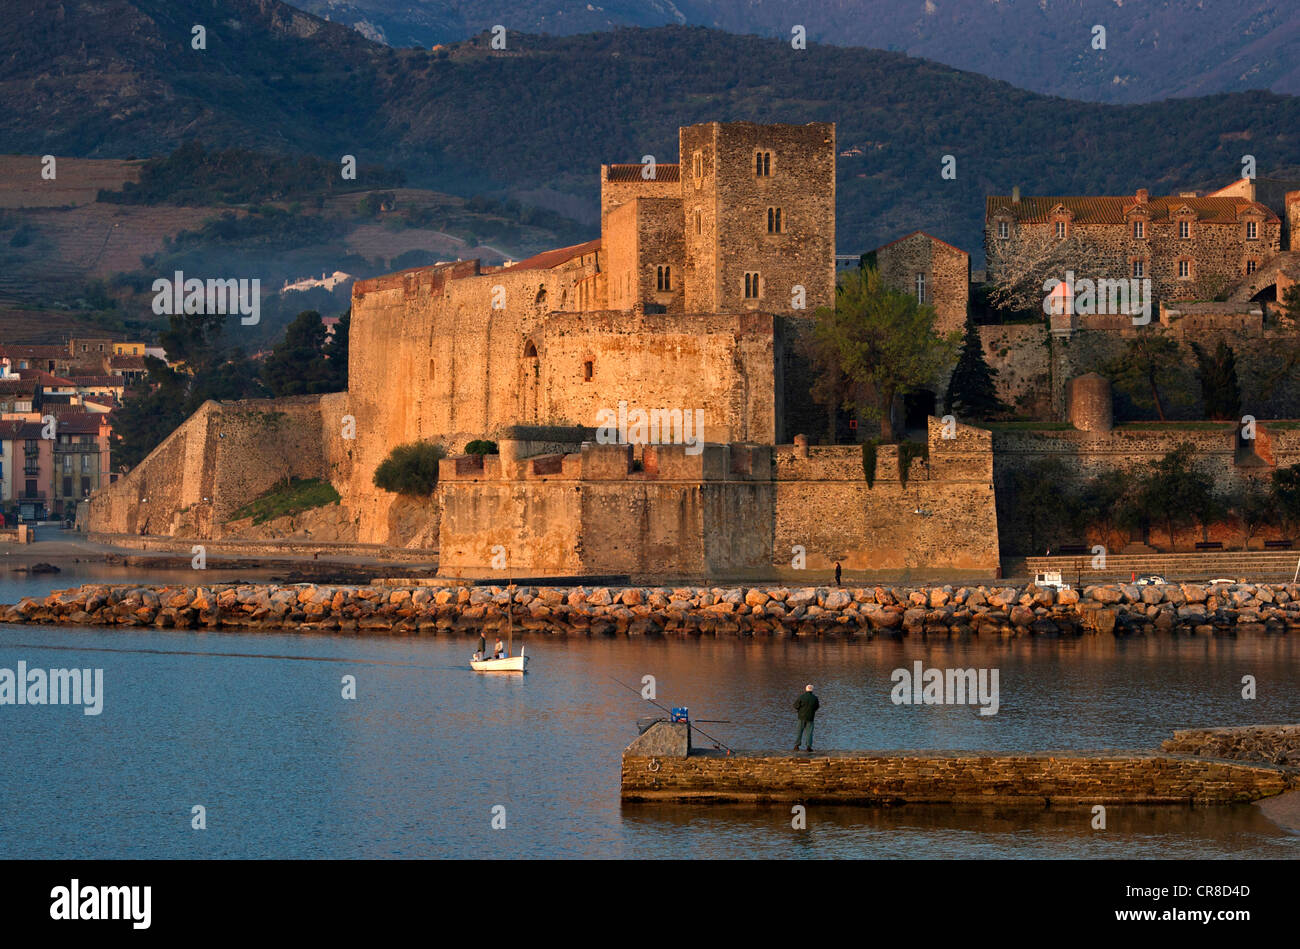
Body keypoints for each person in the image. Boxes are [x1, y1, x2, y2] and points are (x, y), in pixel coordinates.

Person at [793, 684, 819, 752]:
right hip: (810, 717)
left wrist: (799, 710)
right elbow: (817, 707)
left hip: (801, 717)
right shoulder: (815, 698)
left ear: (806, 689)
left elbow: (795, 705)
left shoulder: (801, 697)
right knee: (809, 733)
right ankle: (808, 747)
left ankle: (796, 746)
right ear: (812, 690)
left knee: (799, 732)